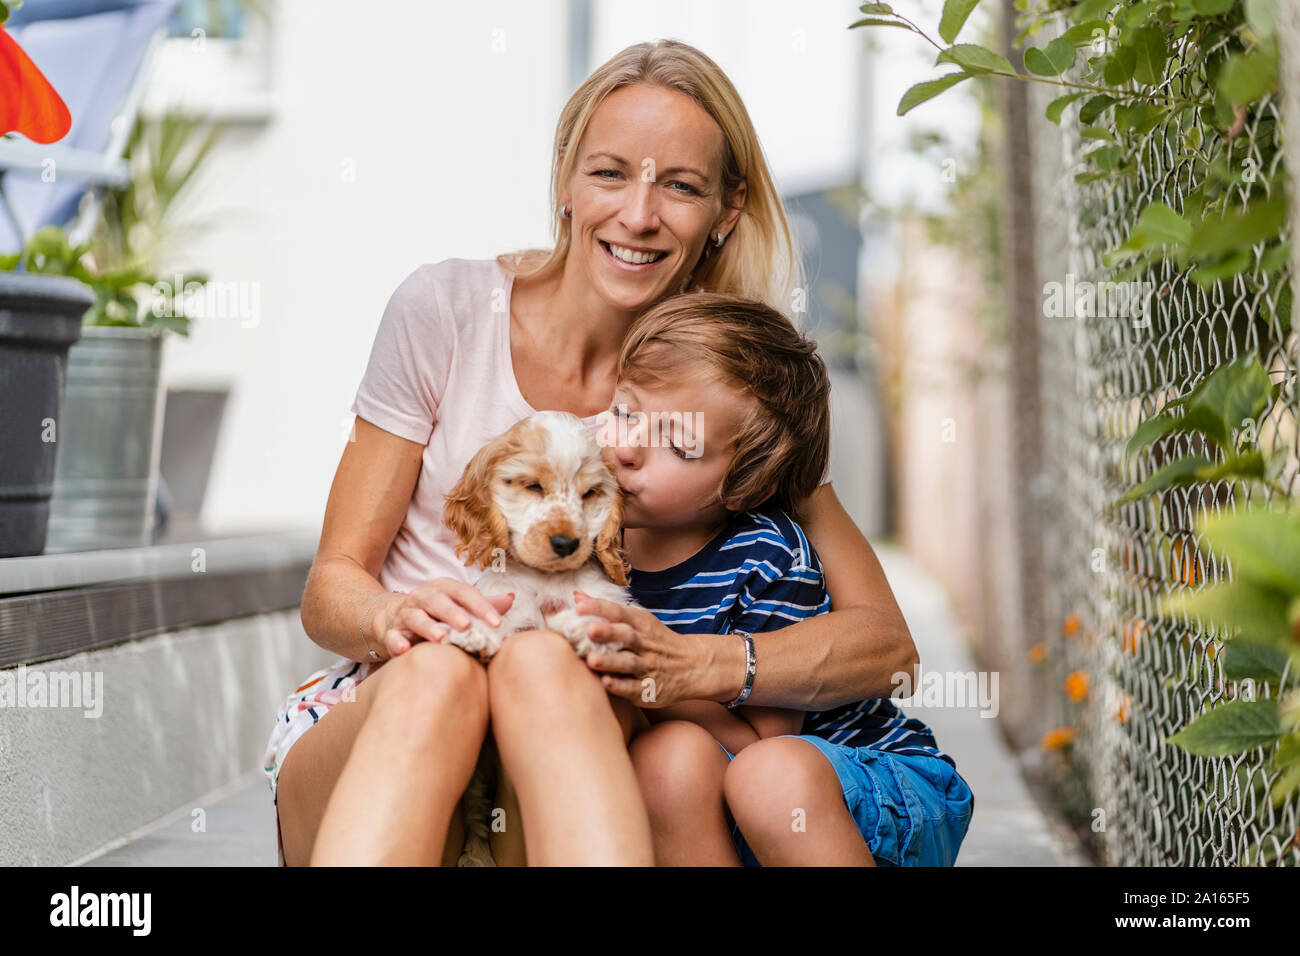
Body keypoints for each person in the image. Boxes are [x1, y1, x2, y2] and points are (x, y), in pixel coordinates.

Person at [264, 38, 921, 867]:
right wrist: (390, 615)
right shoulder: (444, 311)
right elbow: (331, 588)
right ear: (567, 182)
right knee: (444, 675)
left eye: (680, 186)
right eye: (610, 173)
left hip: (559, 744)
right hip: (388, 725)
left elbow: (887, 649)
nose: (638, 215)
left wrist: (694, 664)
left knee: (547, 662)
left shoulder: (724, 384)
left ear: (727, 209)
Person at [573, 291, 973, 865]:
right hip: (726, 801)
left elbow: (765, 744)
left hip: (864, 791)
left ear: (743, 487)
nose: (628, 448)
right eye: (626, 412)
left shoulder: (765, 552)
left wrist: (650, 679)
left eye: (678, 445)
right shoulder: (586, 536)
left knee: (767, 775)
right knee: (667, 759)